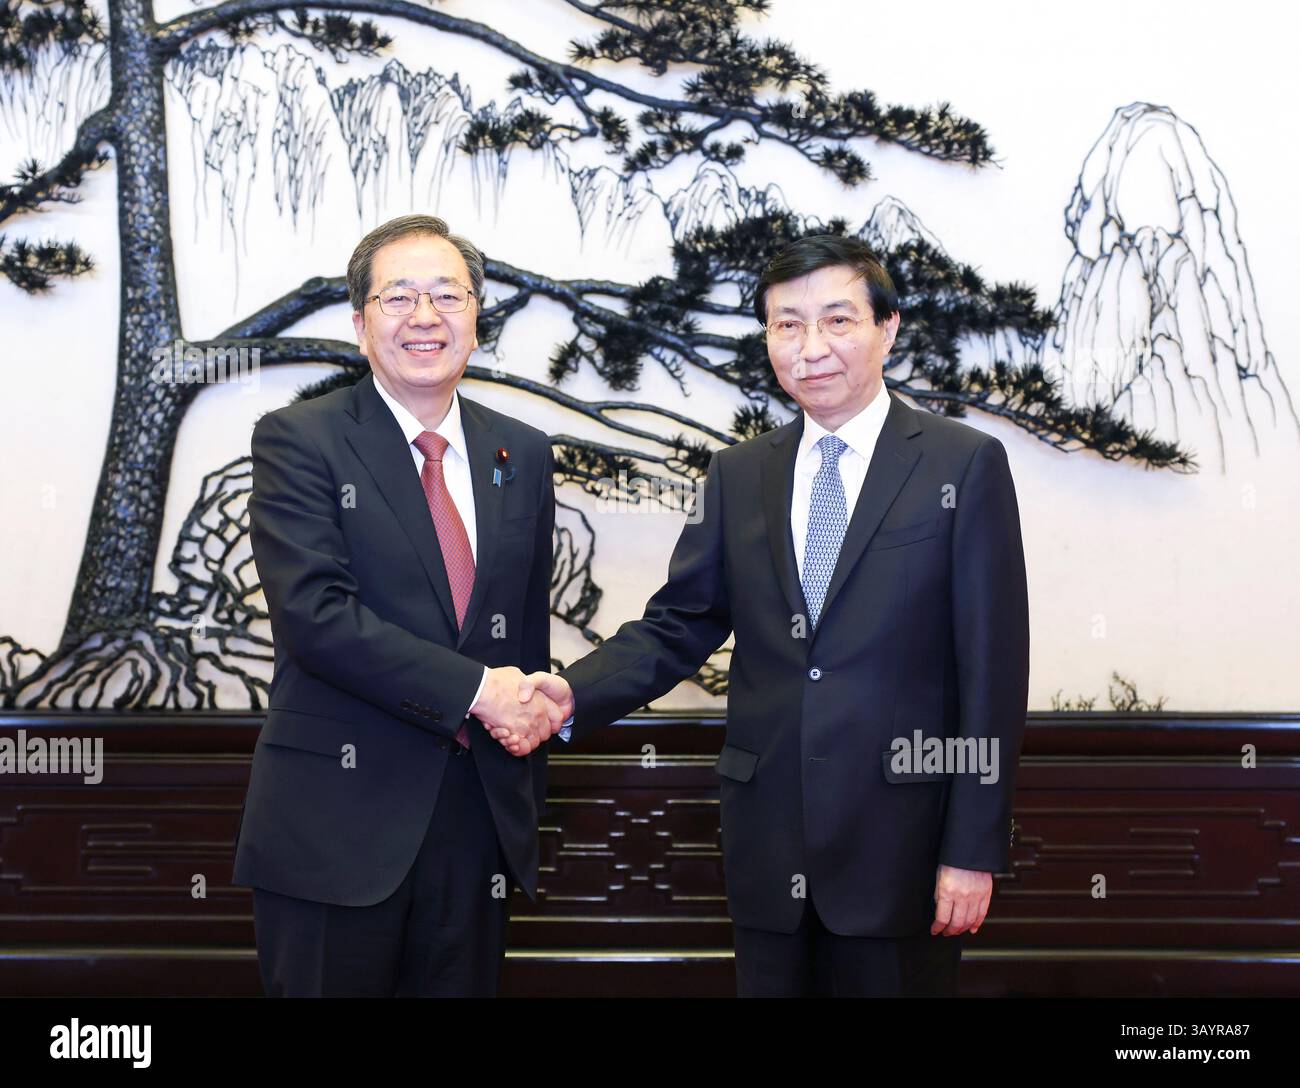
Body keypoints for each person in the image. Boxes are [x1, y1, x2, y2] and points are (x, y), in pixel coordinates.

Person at [505, 234, 1030, 997]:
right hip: (768, 843)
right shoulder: (740, 472)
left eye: (837, 320)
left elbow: (993, 670)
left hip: (903, 848)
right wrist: (570, 693)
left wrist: (972, 849)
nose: (811, 347)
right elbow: (679, 624)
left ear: (887, 329)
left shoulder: (963, 463)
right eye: (787, 325)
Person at [232, 214, 566, 997]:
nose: (425, 316)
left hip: (477, 824)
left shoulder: (521, 452)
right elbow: (316, 618)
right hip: (335, 828)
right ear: (360, 324)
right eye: (399, 297)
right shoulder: (299, 439)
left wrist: (526, 721)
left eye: (448, 296)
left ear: (477, 319)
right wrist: (481, 692)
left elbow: (522, 629)